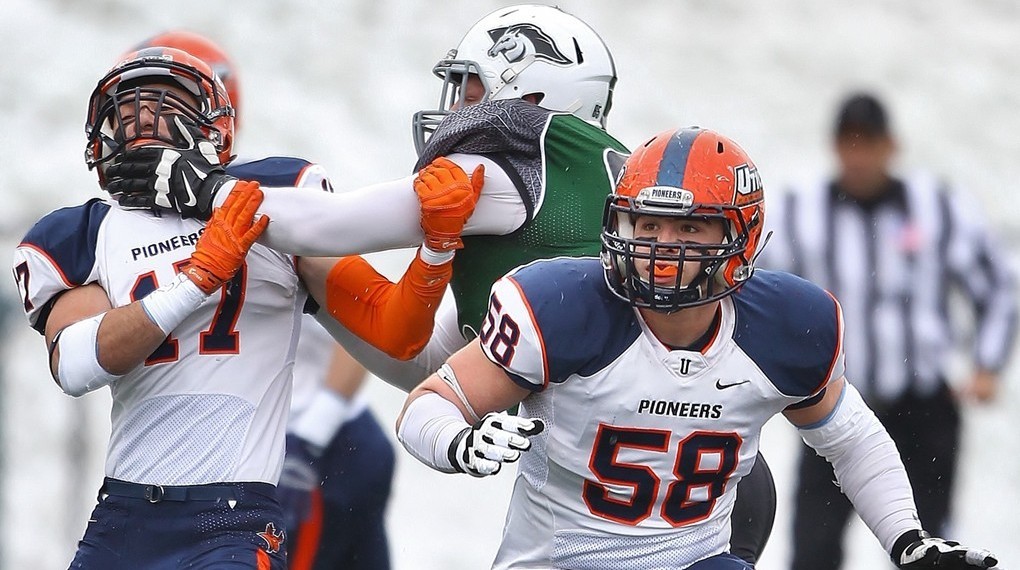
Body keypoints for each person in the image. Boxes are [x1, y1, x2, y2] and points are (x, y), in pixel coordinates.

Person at [104, 6, 777, 563]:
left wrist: (204, 190)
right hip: (673, 481)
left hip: (666, 499)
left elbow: (334, 225)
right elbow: (428, 362)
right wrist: (323, 292)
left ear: (533, 97)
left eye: (474, 86)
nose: (458, 105)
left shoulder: (520, 161)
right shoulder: (557, 208)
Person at [395, 126, 1003, 570]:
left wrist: (908, 540)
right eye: (648, 225)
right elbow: (429, 402)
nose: (661, 246)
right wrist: (459, 440)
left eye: (689, 228)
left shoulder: (784, 327)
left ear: (740, 237)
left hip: (696, 561)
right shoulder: (562, 308)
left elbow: (851, 440)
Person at [10, 47, 478, 568]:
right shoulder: (85, 234)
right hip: (121, 517)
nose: (141, 123)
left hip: (230, 518)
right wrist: (197, 281)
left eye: (166, 106)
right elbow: (76, 364)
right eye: (123, 114)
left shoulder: (274, 202)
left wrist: (435, 250)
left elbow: (397, 335)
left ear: (217, 126)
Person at [134, 30, 396, 570]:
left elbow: (362, 319)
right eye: (133, 106)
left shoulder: (265, 196)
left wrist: (311, 434)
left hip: (314, 448)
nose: (143, 123)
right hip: (242, 458)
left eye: (161, 103)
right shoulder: (120, 224)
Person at [761, 92, 1017, 570]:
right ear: (834, 147)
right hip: (833, 409)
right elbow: (754, 294)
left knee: (928, 547)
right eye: (849, 143)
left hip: (922, 410)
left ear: (891, 146)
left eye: (869, 144)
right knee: (813, 551)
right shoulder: (799, 212)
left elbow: (996, 282)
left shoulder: (938, 206)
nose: (858, 157)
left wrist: (987, 363)